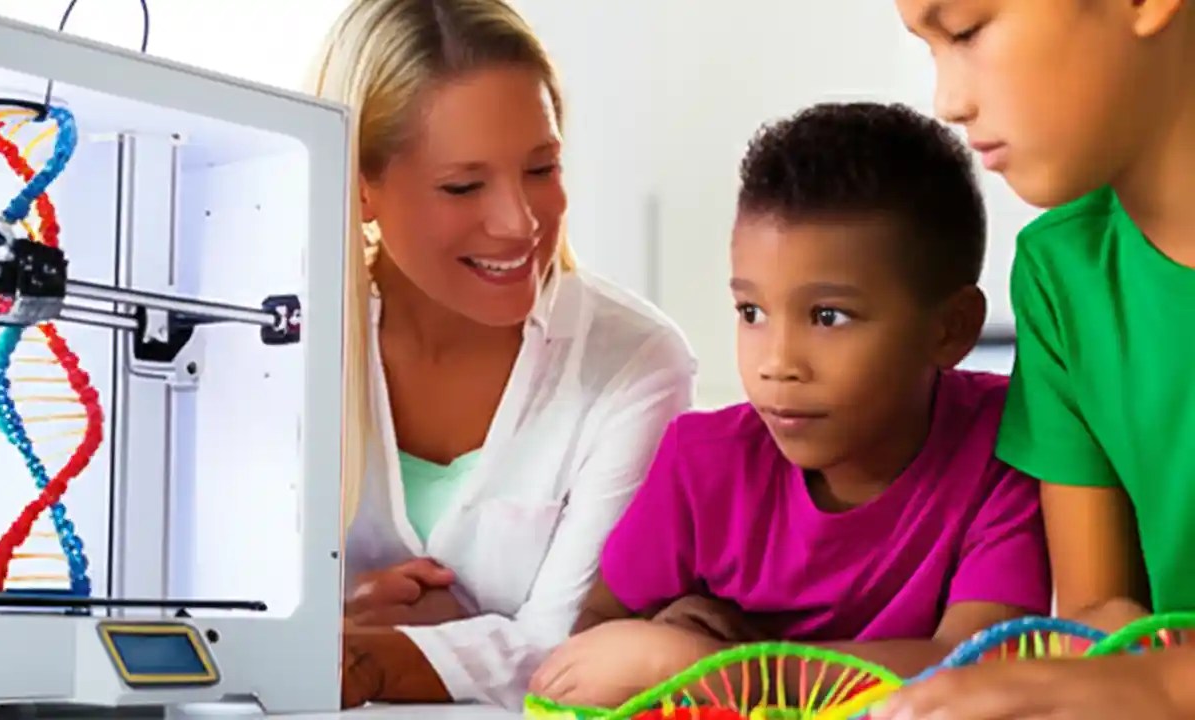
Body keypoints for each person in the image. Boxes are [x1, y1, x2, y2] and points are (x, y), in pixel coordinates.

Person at [529, 102, 1052, 709]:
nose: (777, 362)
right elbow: (585, 651)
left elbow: (977, 670)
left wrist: (730, 672)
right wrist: (663, 638)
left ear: (950, 330)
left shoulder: (1003, 447)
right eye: (751, 312)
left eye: (828, 316)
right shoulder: (701, 465)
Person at [306, 0, 696, 710]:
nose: (519, 223)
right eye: (464, 186)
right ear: (360, 184)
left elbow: (569, 659)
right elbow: (205, 616)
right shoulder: (278, 340)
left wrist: (355, 649)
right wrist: (463, 643)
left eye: (542, 168)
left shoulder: (636, 362)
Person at [870, 1, 1195, 718]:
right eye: (931, 49)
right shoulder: (1060, 277)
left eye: (965, 31)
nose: (948, 101)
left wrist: (1158, 684)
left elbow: (1136, 680)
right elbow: (1103, 626)